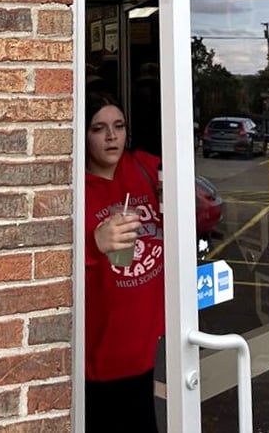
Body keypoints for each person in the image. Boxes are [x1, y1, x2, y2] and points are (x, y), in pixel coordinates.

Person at [84, 90, 164, 433]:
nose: (112, 136)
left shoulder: (144, 168)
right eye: (99, 128)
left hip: (152, 348)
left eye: (119, 126)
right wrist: (94, 244)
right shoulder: (75, 190)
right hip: (100, 361)